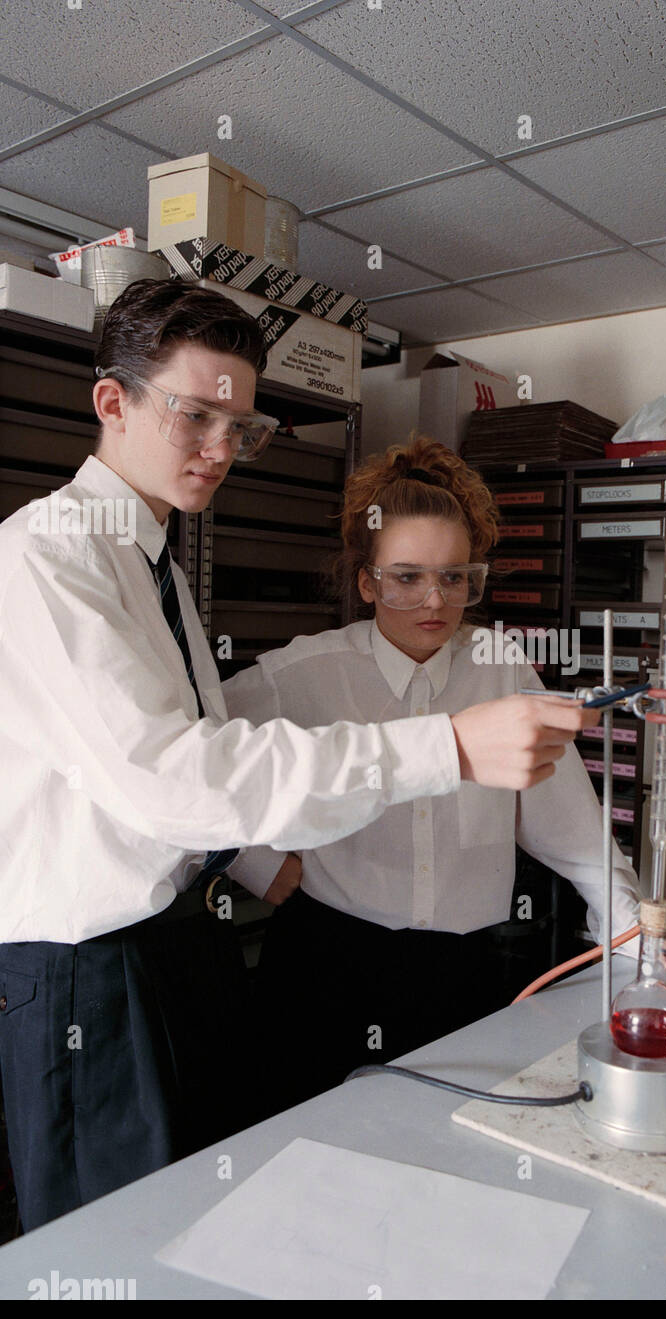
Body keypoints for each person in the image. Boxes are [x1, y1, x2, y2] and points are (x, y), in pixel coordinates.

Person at [0, 281, 595, 1233]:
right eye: (196, 415)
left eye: (243, 426)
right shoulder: (48, 557)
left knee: (199, 1220)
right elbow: (169, 779)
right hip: (90, 972)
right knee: (106, 1250)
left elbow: (211, 753)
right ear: (112, 402)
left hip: (175, 946)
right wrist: (442, 746)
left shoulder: (151, 566)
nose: (221, 451)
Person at [223, 436, 666, 1112]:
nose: (435, 598)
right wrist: (248, 859)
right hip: (327, 963)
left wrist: (632, 930)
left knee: (452, 1150)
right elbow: (183, 761)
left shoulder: (501, 666)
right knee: (307, 1159)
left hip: (461, 972)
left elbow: (569, 825)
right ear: (367, 580)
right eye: (406, 576)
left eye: (455, 576)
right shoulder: (303, 673)